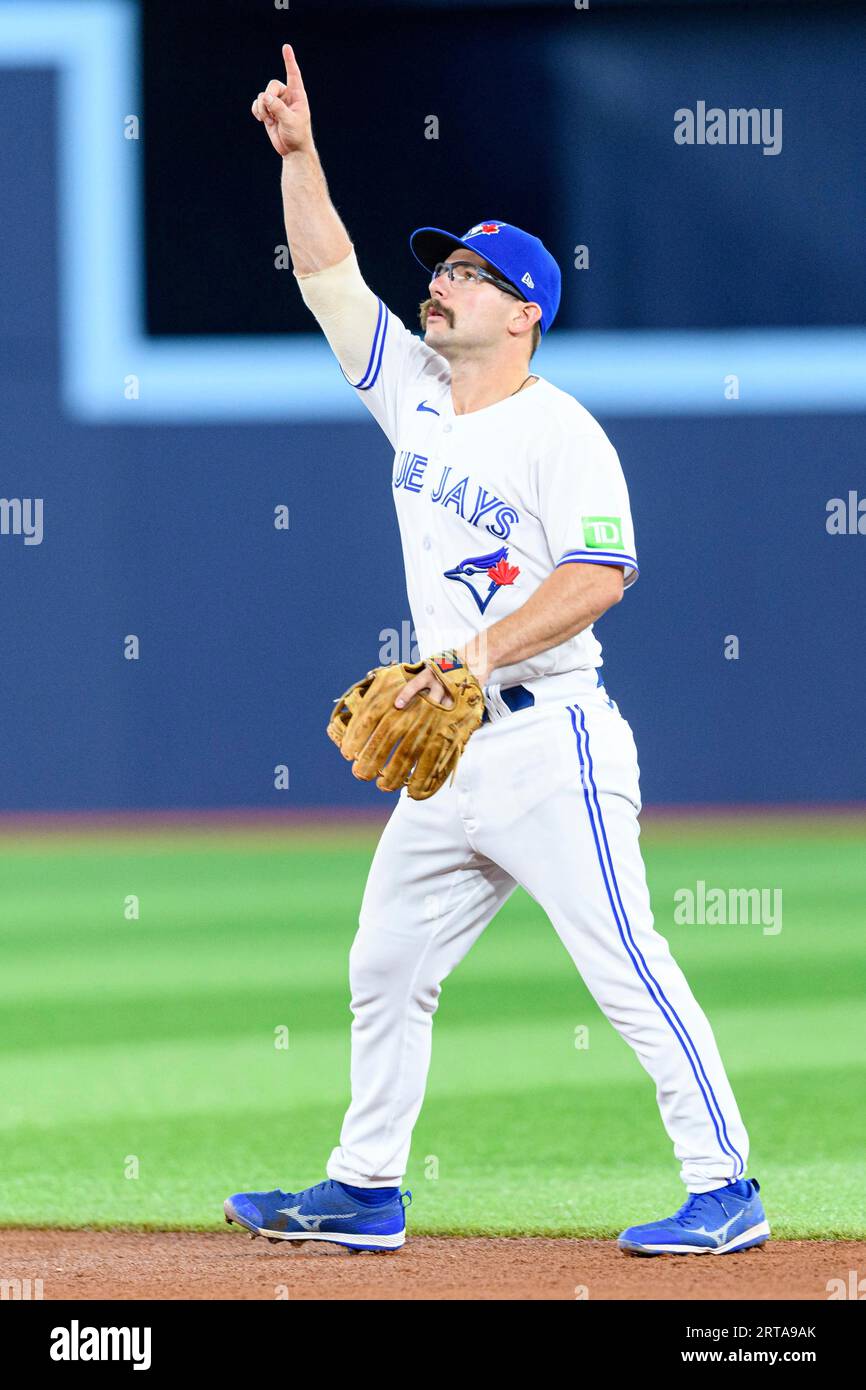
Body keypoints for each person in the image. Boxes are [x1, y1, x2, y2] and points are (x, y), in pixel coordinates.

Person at [223, 43, 770, 1258]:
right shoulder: (414, 390)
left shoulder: (558, 429)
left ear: (524, 311)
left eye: (471, 275)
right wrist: (300, 154)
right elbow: (324, 271)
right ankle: (365, 1188)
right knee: (384, 960)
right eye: (443, 270)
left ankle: (724, 1184)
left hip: (549, 738)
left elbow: (598, 576)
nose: (445, 286)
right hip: (455, 749)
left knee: (623, 960)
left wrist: (471, 656)